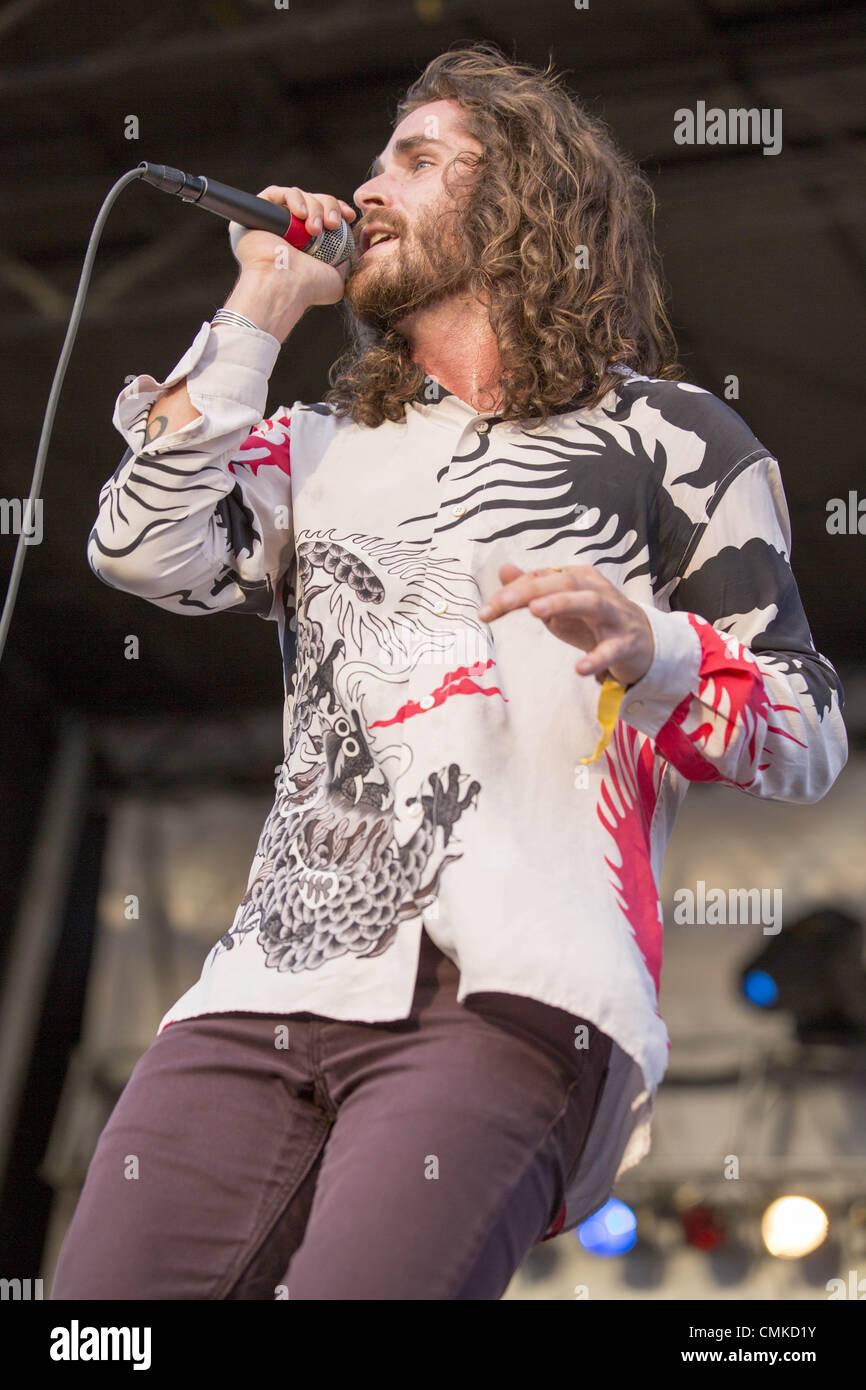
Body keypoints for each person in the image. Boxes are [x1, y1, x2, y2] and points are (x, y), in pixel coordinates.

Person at [52, 44, 847, 1301]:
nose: (369, 188)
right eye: (373, 160)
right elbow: (135, 550)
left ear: (528, 204)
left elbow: (802, 731)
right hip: (263, 982)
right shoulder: (309, 448)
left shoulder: (676, 441)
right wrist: (259, 304)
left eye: (417, 161)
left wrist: (656, 653)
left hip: (512, 987)